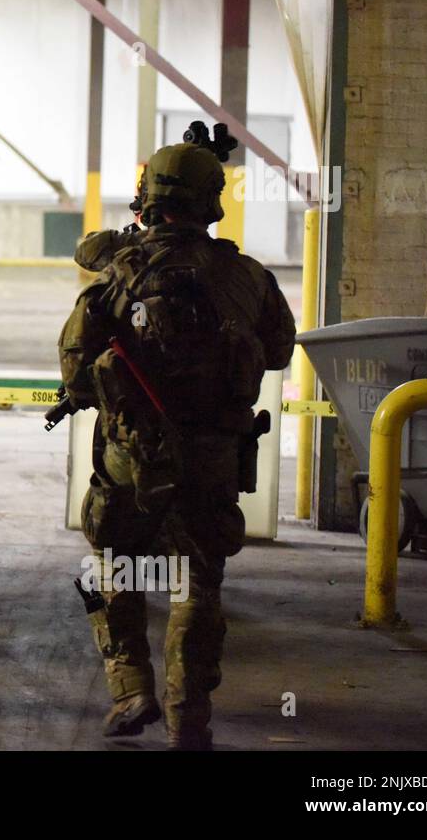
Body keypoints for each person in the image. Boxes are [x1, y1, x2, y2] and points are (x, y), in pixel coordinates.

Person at [58, 140, 296, 749]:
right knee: (196, 581)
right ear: (211, 202)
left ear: (149, 199)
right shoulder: (248, 276)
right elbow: (277, 350)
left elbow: (76, 362)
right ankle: (187, 715)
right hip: (212, 455)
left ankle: (130, 688)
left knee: (112, 568)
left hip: (128, 456)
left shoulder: (122, 268)